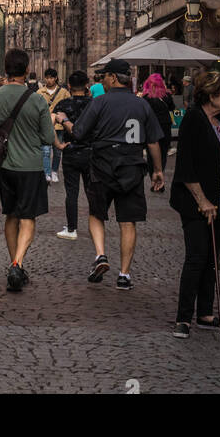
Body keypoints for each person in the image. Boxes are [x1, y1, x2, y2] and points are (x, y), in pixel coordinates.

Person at [71, 59, 165, 290]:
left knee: (96, 213)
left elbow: (79, 133)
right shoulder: (142, 104)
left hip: (103, 164)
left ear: (113, 78)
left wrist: (64, 122)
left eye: (104, 77)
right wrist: (158, 170)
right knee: (128, 221)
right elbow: (153, 141)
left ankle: (101, 255)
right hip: (132, 165)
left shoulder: (100, 102)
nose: (102, 80)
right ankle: (124, 274)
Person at [0, 48, 55, 292]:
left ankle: (15, 265)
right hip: (31, 167)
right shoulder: (37, 99)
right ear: (28, 69)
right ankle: (17, 263)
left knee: (10, 215)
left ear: (5, 70)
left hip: (5, 167)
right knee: (28, 217)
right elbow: (49, 138)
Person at [169, 68, 220, 339]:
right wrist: (203, 200)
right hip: (196, 203)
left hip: (219, 202)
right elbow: (185, 167)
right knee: (196, 258)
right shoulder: (194, 120)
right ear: (210, 95)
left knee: (211, 259)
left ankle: (206, 314)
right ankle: (183, 318)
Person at [53, 71, 92, 240]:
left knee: (72, 192)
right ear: (86, 85)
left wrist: (58, 144)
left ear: (68, 85)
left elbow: (49, 123)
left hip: (71, 152)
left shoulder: (63, 104)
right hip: (92, 152)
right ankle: (96, 226)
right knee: (92, 192)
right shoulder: (95, 104)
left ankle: (71, 228)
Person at [39, 68, 70, 184]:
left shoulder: (64, 92)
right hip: (45, 126)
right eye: (47, 78)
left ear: (56, 78)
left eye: (51, 77)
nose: (49, 80)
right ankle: (47, 173)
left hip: (59, 127)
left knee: (57, 151)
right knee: (46, 150)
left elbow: (69, 106)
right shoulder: (40, 92)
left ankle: (54, 171)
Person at [140, 74, 173, 176]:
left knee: (151, 154)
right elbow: (172, 107)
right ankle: (160, 173)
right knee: (163, 153)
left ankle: (153, 177)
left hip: (150, 127)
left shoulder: (145, 97)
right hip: (164, 126)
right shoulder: (166, 96)